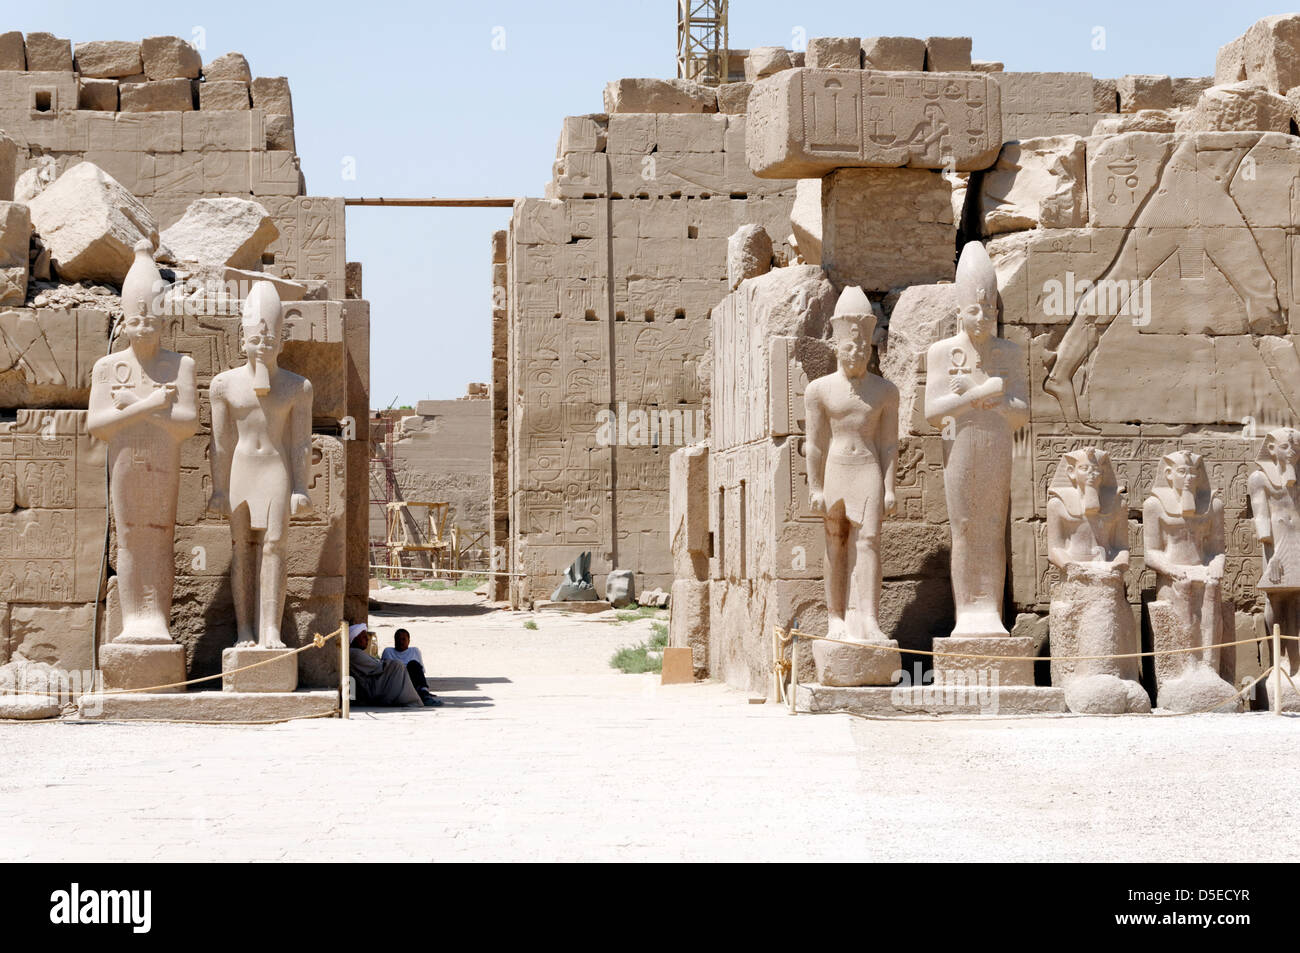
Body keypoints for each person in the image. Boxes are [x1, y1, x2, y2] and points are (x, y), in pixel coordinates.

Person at [347, 623, 430, 708]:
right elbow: (377, 667)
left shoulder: (357, 652)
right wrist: (390, 664)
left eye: (403, 639)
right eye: (364, 637)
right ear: (355, 639)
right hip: (370, 686)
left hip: (372, 682)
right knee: (397, 666)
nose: (367, 639)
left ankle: (420, 693)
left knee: (408, 666)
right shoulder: (355, 653)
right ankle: (412, 699)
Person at [382, 628, 441, 706]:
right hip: (396, 683)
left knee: (413, 664)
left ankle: (424, 693)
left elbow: (421, 672)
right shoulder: (388, 651)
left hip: (412, 682)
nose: (401, 642)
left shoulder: (415, 651)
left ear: (408, 641)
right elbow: (385, 673)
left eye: (403, 639)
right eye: (398, 639)